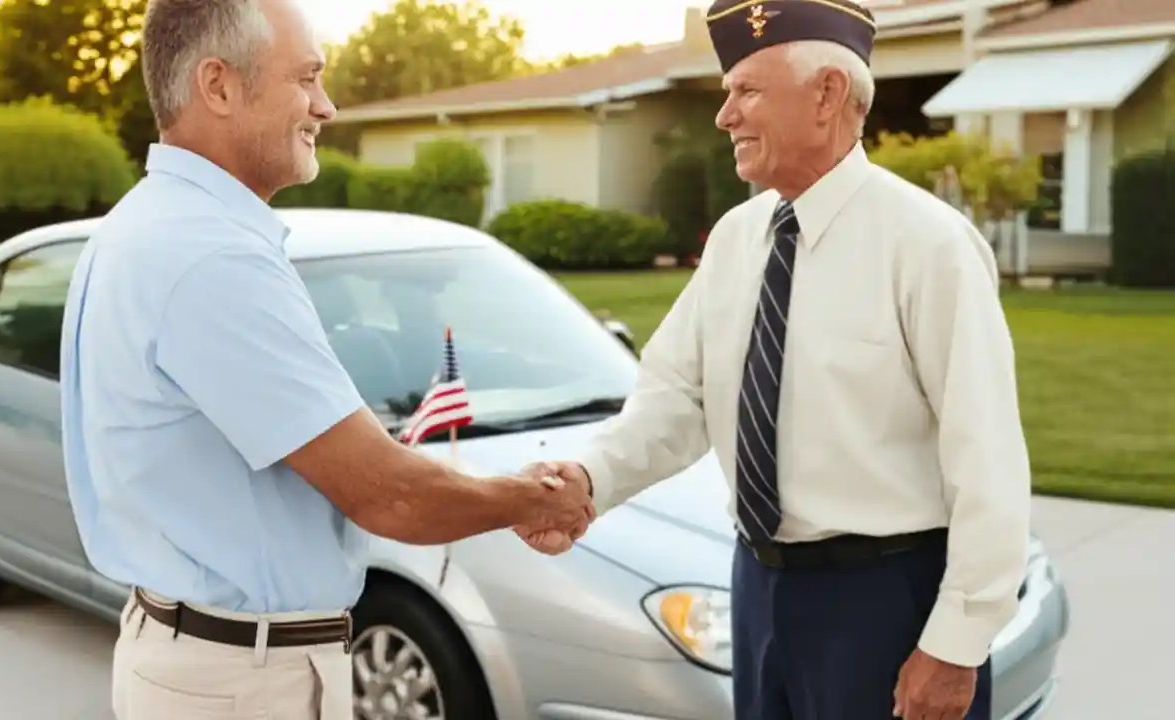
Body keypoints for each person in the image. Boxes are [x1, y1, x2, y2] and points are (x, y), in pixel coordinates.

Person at [58, 0, 592, 718]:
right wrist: (531, 498)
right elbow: (387, 493)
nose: (327, 107)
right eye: (306, 79)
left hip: (199, 657)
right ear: (218, 86)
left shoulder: (144, 225)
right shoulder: (211, 257)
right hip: (242, 681)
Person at [521, 1, 1031, 718]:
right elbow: (678, 397)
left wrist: (955, 645)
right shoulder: (736, 238)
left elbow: (988, 463)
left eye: (746, 91)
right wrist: (590, 478)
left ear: (826, 94)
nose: (725, 116)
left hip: (887, 602)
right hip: (758, 591)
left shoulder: (929, 246)